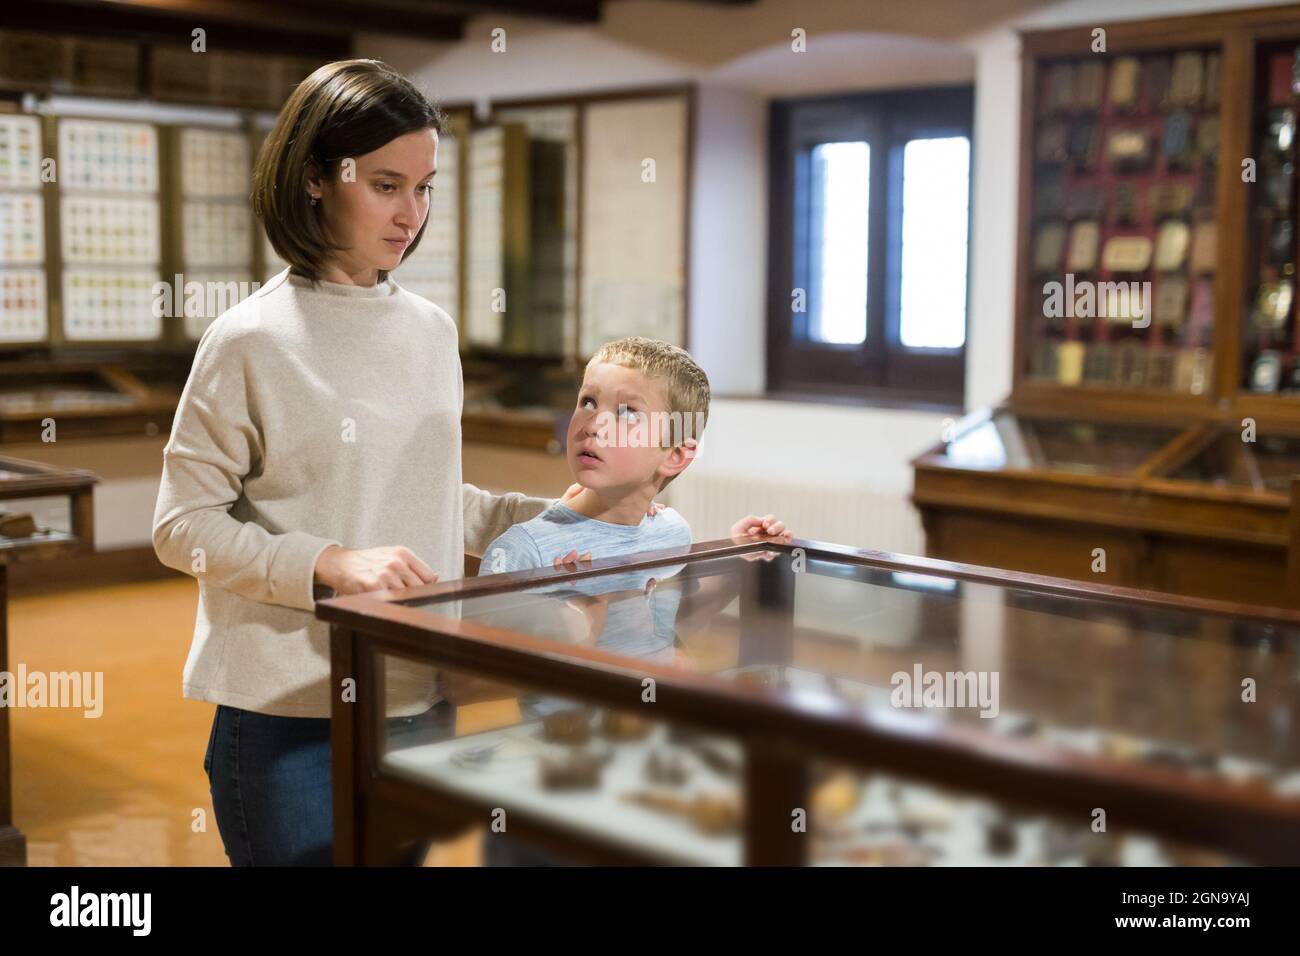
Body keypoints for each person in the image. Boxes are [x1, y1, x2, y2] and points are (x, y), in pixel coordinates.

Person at [152, 59, 596, 866]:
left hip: (416, 696)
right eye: (387, 185)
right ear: (316, 178)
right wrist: (327, 562)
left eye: (425, 188)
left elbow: (428, 496)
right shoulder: (250, 339)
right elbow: (182, 526)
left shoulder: (430, 330)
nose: (411, 214)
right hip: (289, 715)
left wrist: (566, 520)